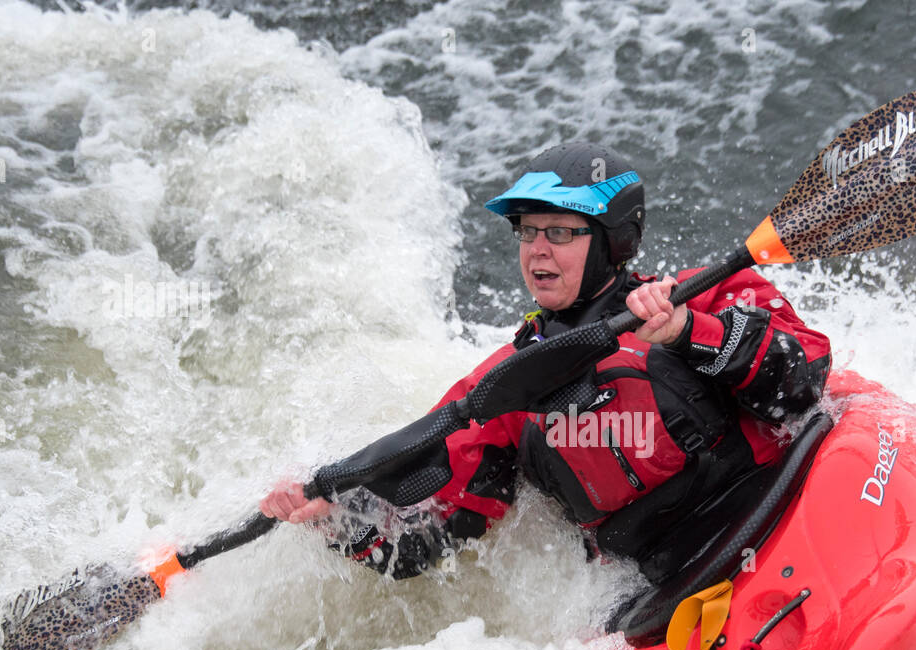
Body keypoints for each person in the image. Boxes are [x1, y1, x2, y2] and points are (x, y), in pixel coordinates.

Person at [260, 143, 831, 586]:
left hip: (780, 509)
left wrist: (688, 334)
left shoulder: (701, 294)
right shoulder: (510, 386)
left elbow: (805, 383)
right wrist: (335, 522)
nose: (536, 249)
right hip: (665, 583)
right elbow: (433, 538)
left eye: (559, 232)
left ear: (614, 241)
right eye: (527, 232)